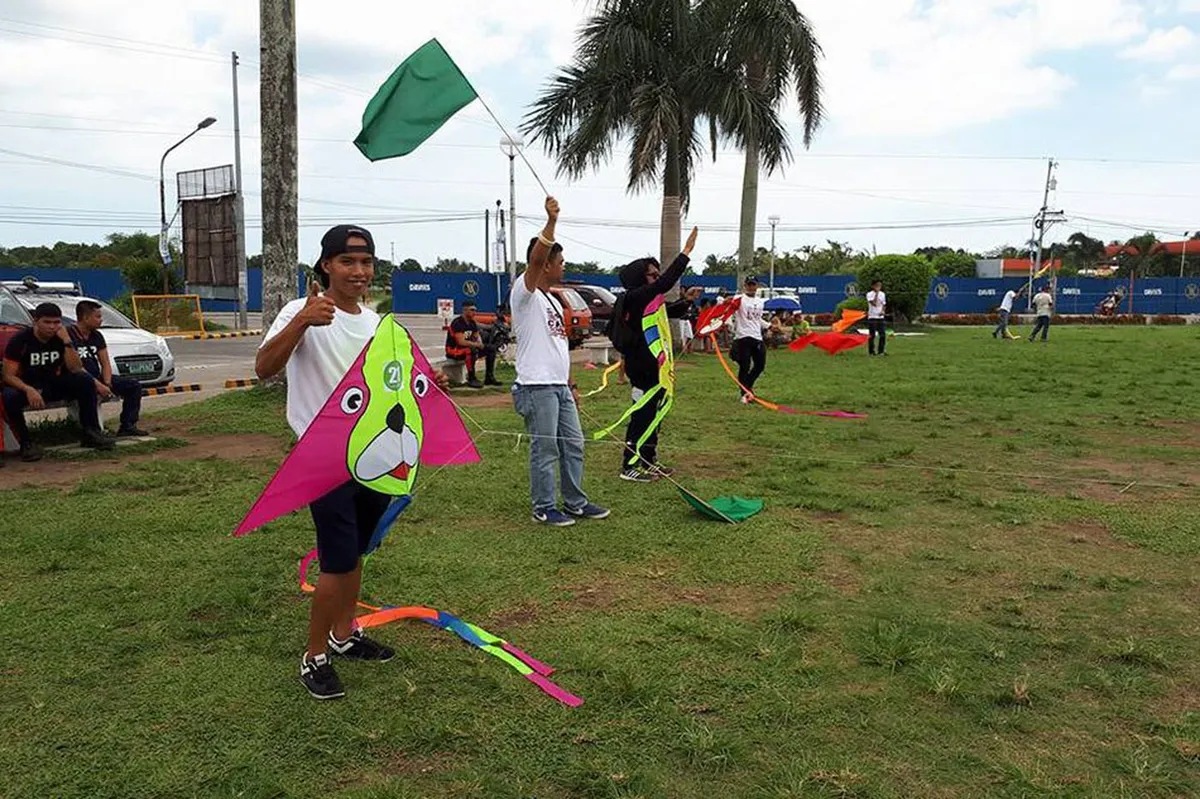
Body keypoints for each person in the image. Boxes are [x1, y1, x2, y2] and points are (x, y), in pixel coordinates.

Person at [255, 223, 448, 700]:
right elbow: (263, 368)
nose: (359, 272)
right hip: (323, 460)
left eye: (366, 263)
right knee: (336, 561)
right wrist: (302, 321)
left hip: (374, 459)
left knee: (357, 550)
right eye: (348, 262)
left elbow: (393, 386)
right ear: (327, 266)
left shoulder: (379, 325)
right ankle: (314, 655)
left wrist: (428, 383)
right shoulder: (300, 312)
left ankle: (344, 634)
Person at [510, 196, 609, 527]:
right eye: (560, 261)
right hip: (536, 387)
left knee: (574, 444)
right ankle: (544, 506)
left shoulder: (552, 299)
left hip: (558, 386)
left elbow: (555, 346)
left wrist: (570, 384)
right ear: (546, 264)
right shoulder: (523, 293)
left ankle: (575, 502)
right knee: (546, 448)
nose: (563, 266)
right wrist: (551, 222)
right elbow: (536, 258)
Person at [614, 227, 699, 481]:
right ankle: (629, 466)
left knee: (654, 415)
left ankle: (648, 460)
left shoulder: (649, 302)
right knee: (641, 416)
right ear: (640, 279)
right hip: (641, 368)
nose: (657, 278)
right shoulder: (635, 297)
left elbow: (667, 311)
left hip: (656, 367)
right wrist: (685, 253)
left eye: (657, 273)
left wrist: (686, 301)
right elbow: (665, 284)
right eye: (652, 275)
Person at [2, 302, 113, 461]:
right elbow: (8, 376)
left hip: (52, 384)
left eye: (56, 322)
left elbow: (76, 368)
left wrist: (68, 342)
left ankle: (91, 432)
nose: (52, 327)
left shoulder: (62, 338)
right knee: (9, 396)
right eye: (47, 322)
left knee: (84, 381)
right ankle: (26, 443)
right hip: (27, 386)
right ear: (35, 321)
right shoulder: (21, 340)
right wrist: (28, 389)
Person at [69, 300, 147, 436]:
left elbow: (105, 362)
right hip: (79, 379)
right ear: (85, 318)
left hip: (97, 377)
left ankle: (128, 425)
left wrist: (107, 382)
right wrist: (98, 385)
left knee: (133, 386)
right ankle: (92, 431)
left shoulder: (97, 336)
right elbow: (75, 367)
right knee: (88, 389)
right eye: (97, 317)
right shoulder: (69, 335)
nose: (101, 320)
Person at [444, 300, 500, 388]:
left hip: (466, 348)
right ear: (465, 310)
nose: (474, 312)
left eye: (475, 310)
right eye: (472, 310)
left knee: (491, 349)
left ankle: (489, 377)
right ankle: (471, 377)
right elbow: (461, 342)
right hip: (454, 350)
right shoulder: (458, 323)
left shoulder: (472, 323)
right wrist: (477, 345)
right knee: (470, 350)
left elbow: (477, 336)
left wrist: (481, 345)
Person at [730, 276, 767, 403]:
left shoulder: (760, 302)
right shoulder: (739, 299)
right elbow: (728, 309)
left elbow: (757, 319)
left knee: (760, 365)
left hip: (757, 336)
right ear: (745, 286)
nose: (751, 287)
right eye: (749, 285)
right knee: (744, 366)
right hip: (743, 336)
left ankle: (747, 387)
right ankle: (744, 393)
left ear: (757, 286)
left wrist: (769, 326)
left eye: (753, 285)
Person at [866, 279, 887, 356]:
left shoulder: (883, 294)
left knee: (882, 334)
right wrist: (877, 293)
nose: (879, 287)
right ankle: (871, 351)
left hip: (880, 317)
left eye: (880, 285)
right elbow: (874, 303)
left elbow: (884, 304)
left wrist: (883, 311)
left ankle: (881, 351)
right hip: (872, 316)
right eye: (877, 285)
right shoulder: (869, 294)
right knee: (872, 335)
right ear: (873, 286)